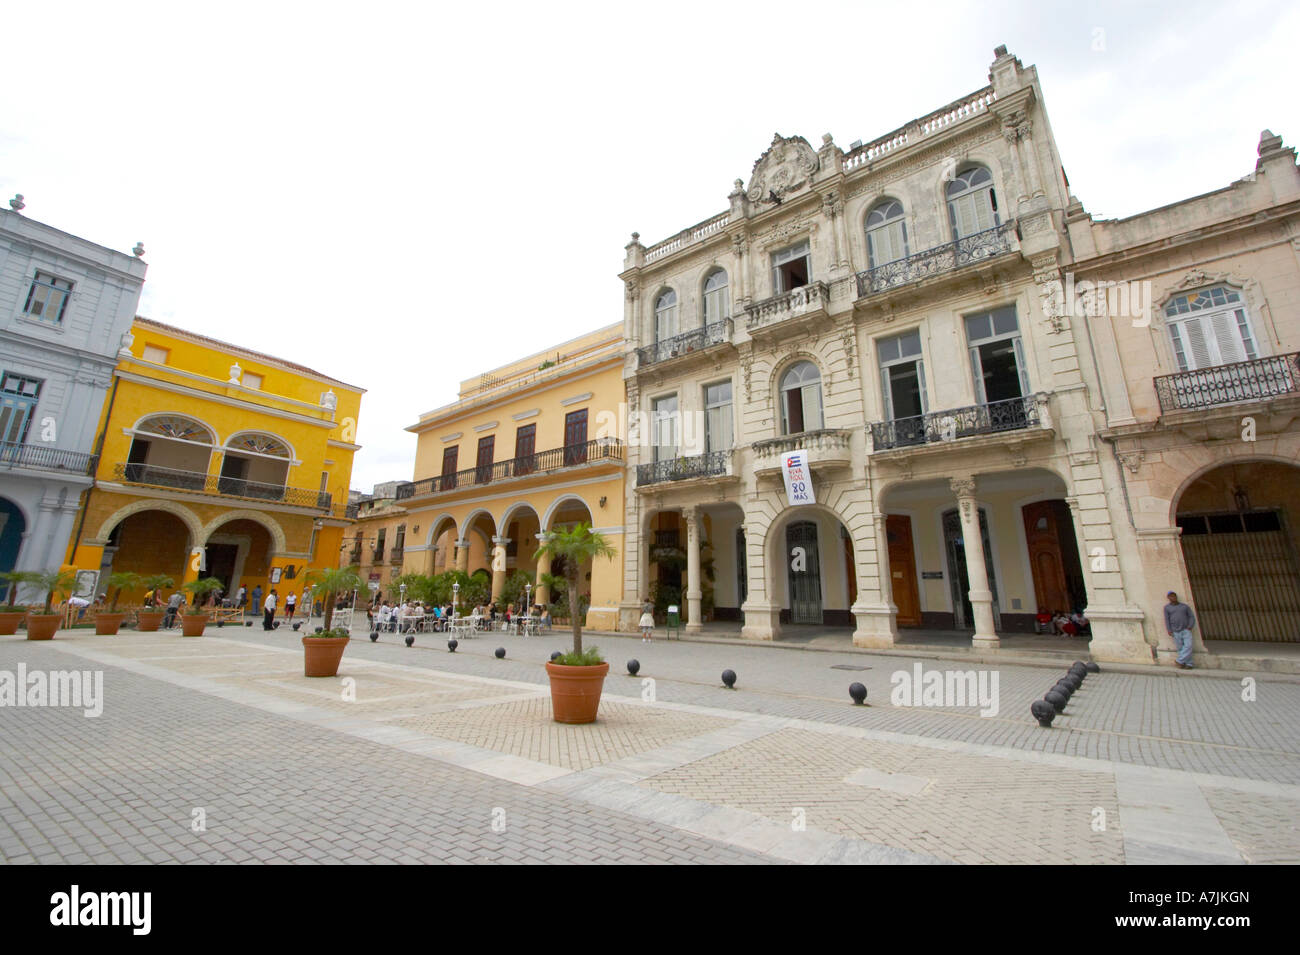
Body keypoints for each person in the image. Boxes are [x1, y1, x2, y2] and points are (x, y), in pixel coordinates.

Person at [1164, 591, 1197, 669]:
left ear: (1176, 596)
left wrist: (1190, 626)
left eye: (1174, 596)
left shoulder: (1184, 606)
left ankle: (1179, 660)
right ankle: (1188, 664)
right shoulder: (1167, 608)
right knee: (1180, 648)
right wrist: (1169, 630)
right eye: (1170, 596)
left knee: (1188, 646)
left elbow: (1191, 616)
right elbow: (1167, 619)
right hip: (1175, 631)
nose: (1173, 598)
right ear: (1168, 598)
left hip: (1186, 629)